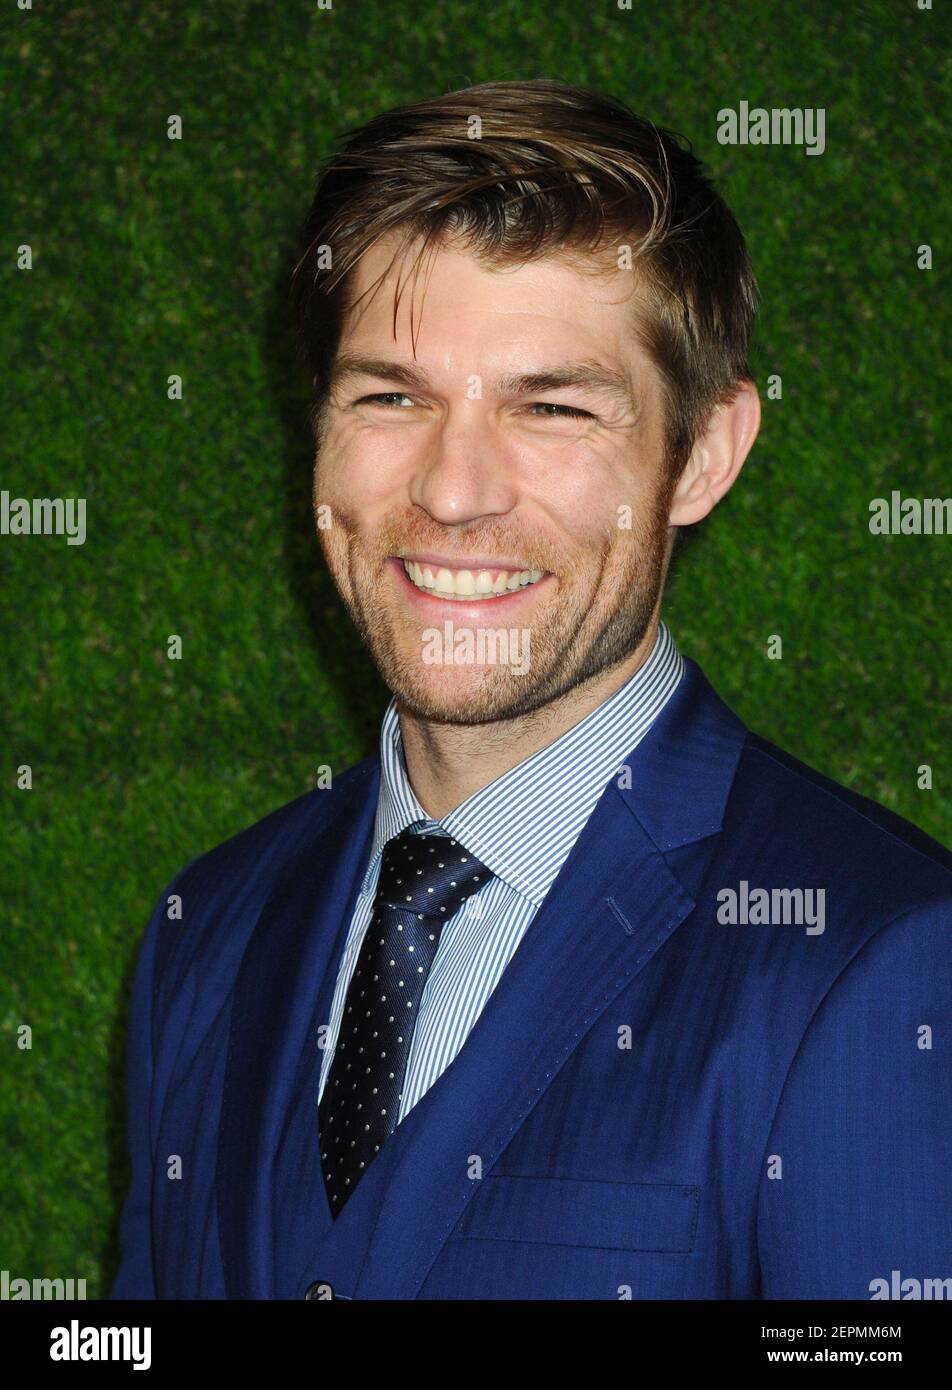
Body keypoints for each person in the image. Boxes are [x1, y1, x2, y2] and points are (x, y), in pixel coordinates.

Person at [111, 79, 951, 1301]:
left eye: (551, 407)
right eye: (391, 396)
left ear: (702, 453)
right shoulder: (210, 928)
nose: (453, 491)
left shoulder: (880, 961)